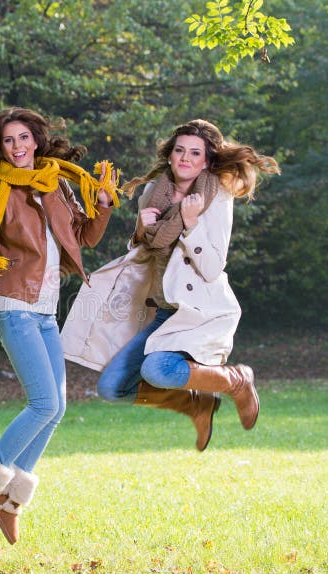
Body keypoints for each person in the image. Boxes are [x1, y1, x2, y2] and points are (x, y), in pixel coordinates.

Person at [0, 107, 120, 544]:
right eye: (8, 141)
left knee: (58, 409)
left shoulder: (57, 186)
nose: (18, 147)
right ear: (0, 149)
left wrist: (101, 206)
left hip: (46, 311)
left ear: (36, 141)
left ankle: (10, 499)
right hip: (15, 306)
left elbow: (82, 237)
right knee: (43, 404)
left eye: (23, 138)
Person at [62, 119, 279, 451]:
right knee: (111, 388)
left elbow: (212, 267)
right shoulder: (154, 192)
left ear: (207, 160)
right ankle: (195, 404)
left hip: (199, 311)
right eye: (180, 150)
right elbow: (144, 251)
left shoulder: (216, 197)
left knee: (158, 369)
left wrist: (191, 226)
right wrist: (139, 230)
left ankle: (237, 380)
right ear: (170, 154)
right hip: (162, 310)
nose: (185, 158)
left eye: (195, 153)